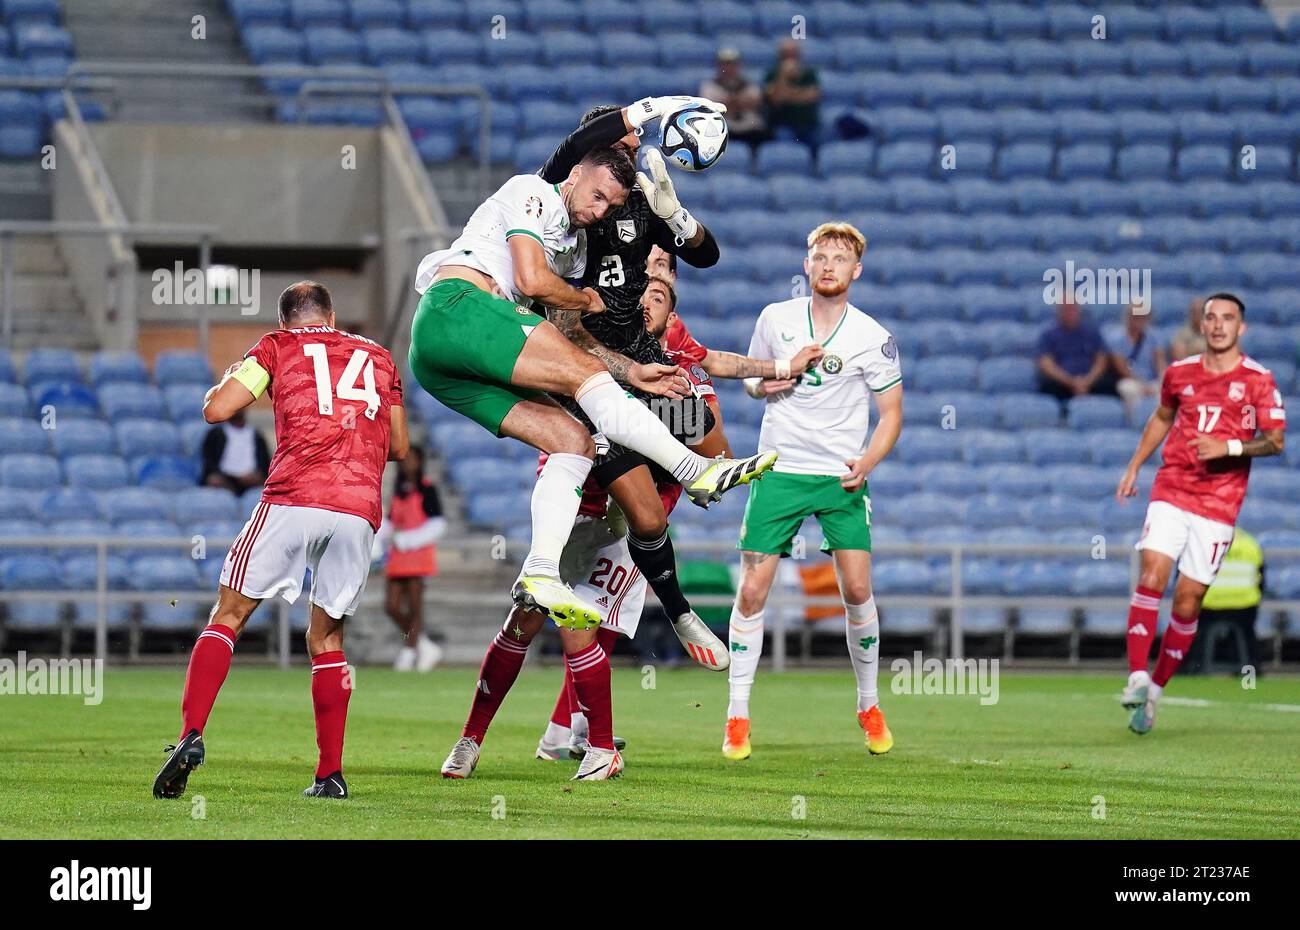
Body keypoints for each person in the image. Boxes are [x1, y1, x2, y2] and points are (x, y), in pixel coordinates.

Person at [408, 134, 776, 637]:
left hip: (444, 365)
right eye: (597, 195)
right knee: (589, 379)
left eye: (612, 205)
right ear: (576, 172)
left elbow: (561, 322)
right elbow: (535, 282)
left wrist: (628, 368)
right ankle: (693, 471)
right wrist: (584, 298)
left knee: (571, 440)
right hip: (457, 307)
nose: (600, 211)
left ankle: (540, 572)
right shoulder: (530, 192)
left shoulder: (572, 244)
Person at [153, 282, 408, 801]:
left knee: (228, 614)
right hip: (358, 508)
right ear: (331, 316)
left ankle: (190, 735)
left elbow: (218, 410)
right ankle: (329, 774)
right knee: (327, 640)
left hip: (295, 496)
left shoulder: (276, 346)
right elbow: (398, 446)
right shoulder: (379, 356)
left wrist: (230, 376)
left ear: (287, 318)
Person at [533, 99, 765, 667]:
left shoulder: (640, 199)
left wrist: (678, 214)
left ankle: (696, 481)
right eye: (626, 144)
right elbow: (564, 326)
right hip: (590, 380)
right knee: (646, 521)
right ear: (591, 155)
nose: (636, 152)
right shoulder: (565, 215)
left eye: (634, 145)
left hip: (638, 368)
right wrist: (622, 367)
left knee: (700, 419)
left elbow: (707, 255)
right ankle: (681, 610)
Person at [723, 222, 904, 761]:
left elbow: (892, 414)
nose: (828, 264)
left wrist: (868, 460)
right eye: (820, 255)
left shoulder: (873, 337)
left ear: (856, 271)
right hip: (779, 470)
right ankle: (737, 716)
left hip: (837, 477)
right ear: (806, 265)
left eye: (839, 258)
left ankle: (868, 704)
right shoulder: (774, 319)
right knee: (753, 592)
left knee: (855, 588)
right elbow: (752, 379)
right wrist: (764, 384)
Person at [1116, 293, 1286, 734]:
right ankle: (1136, 677)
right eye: (1212, 317)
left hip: (1219, 504)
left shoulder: (1258, 381)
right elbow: (1161, 415)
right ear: (1203, 325)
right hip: (1172, 488)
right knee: (1151, 571)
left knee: (1188, 601)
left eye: (1228, 318)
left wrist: (1228, 447)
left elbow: (1275, 439)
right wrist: (1135, 464)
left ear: (1240, 328)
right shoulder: (1180, 372)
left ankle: (1153, 691)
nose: (1218, 325)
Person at [375, 445, 445, 672]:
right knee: (391, 606)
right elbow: (391, 521)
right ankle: (422, 645)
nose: (408, 464)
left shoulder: (427, 489)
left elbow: (437, 524)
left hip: (417, 554)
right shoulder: (398, 491)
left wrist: (408, 539)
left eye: (412, 459)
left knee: (415, 607)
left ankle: (408, 651)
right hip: (397, 556)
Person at [1193, 527, 1264, 675]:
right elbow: (1261, 580)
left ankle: (1195, 666)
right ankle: (1250, 669)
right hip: (1244, 607)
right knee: (1247, 636)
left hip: (1210, 606)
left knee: (1197, 631)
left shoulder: (1205, 543)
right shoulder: (1250, 544)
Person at [1036, 301, 1117, 406]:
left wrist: (1088, 381)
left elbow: (1101, 360)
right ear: (1058, 312)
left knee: (1111, 384)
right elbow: (1046, 364)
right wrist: (1071, 382)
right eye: (1065, 309)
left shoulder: (1092, 332)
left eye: (1072, 308)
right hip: (1062, 382)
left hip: (1090, 381)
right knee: (1047, 386)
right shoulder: (1048, 335)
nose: (1070, 312)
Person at [1107, 300, 1168, 420]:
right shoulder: (1116, 338)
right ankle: (1134, 421)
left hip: (1152, 380)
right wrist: (1142, 385)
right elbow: (1121, 367)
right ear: (1128, 317)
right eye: (1135, 316)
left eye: (1143, 317)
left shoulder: (1154, 337)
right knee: (1128, 389)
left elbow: (1160, 363)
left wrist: (1162, 380)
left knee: (1166, 390)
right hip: (1131, 380)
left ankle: (1161, 423)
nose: (1139, 320)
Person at [700, 47, 767, 149]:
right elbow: (709, 107)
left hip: (749, 129)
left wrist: (729, 102)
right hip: (723, 129)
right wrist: (739, 102)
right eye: (725, 64)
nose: (729, 68)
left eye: (732, 64)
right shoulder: (710, 85)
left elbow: (756, 102)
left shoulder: (749, 84)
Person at [764, 39, 822, 147]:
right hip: (782, 125)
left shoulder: (809, 74)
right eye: (786, 54)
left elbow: (812, 96)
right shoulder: (772, 74)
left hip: (808, 125)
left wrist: (787, 94)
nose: (790, 57)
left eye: (793, 53)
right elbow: (775, 99)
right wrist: (783, 76)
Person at [199, 409, 270, 494]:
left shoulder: (256, 435)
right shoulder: (215, 434)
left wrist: (257, 474)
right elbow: (208, 460)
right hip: (225, 478)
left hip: (251, 479)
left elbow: (265, 461)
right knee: (214, 480)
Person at [1170, 296, 1208, 361]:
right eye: (1194, 312)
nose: (1197, 315)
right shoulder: (1182, 334)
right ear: (1190, 314)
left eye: (1201, 312)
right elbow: (1180, 357)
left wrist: (1192, 352)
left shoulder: (1214, 332)